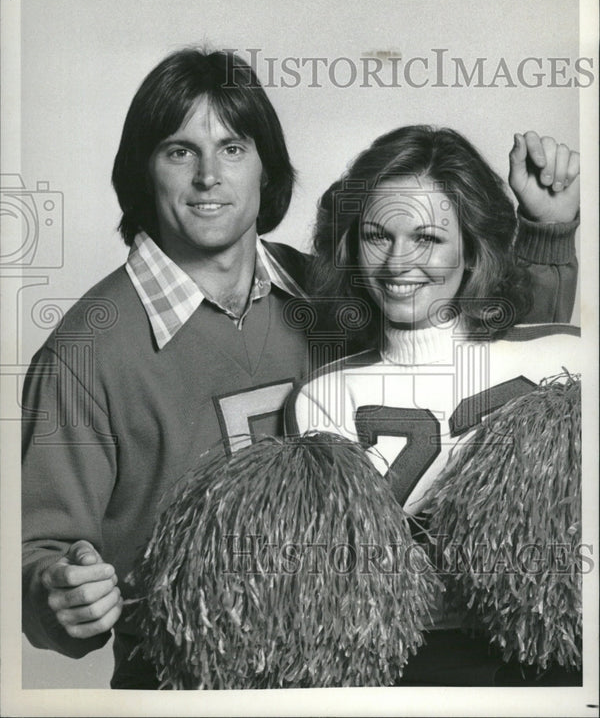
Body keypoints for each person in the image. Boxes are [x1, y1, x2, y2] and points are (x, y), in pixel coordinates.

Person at [21, 47, 579, 690]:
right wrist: (54, 592)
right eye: (180, 151)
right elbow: (38, 553)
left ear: (266, 168)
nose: (209, 176)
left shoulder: (332, 292)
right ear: (143, 172)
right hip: (186, 682)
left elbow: (491, 356)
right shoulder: (86, 351)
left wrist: (546, 232)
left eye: (232, 148)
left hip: (350, 671)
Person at [284, 124, 582, 686]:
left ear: (472, 247)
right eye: (377, 235)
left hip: (559, 668)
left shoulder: (566, 354)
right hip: (409, 675)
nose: (399, 262)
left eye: (427, 237)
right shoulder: (321, 398)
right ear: (350, 244)